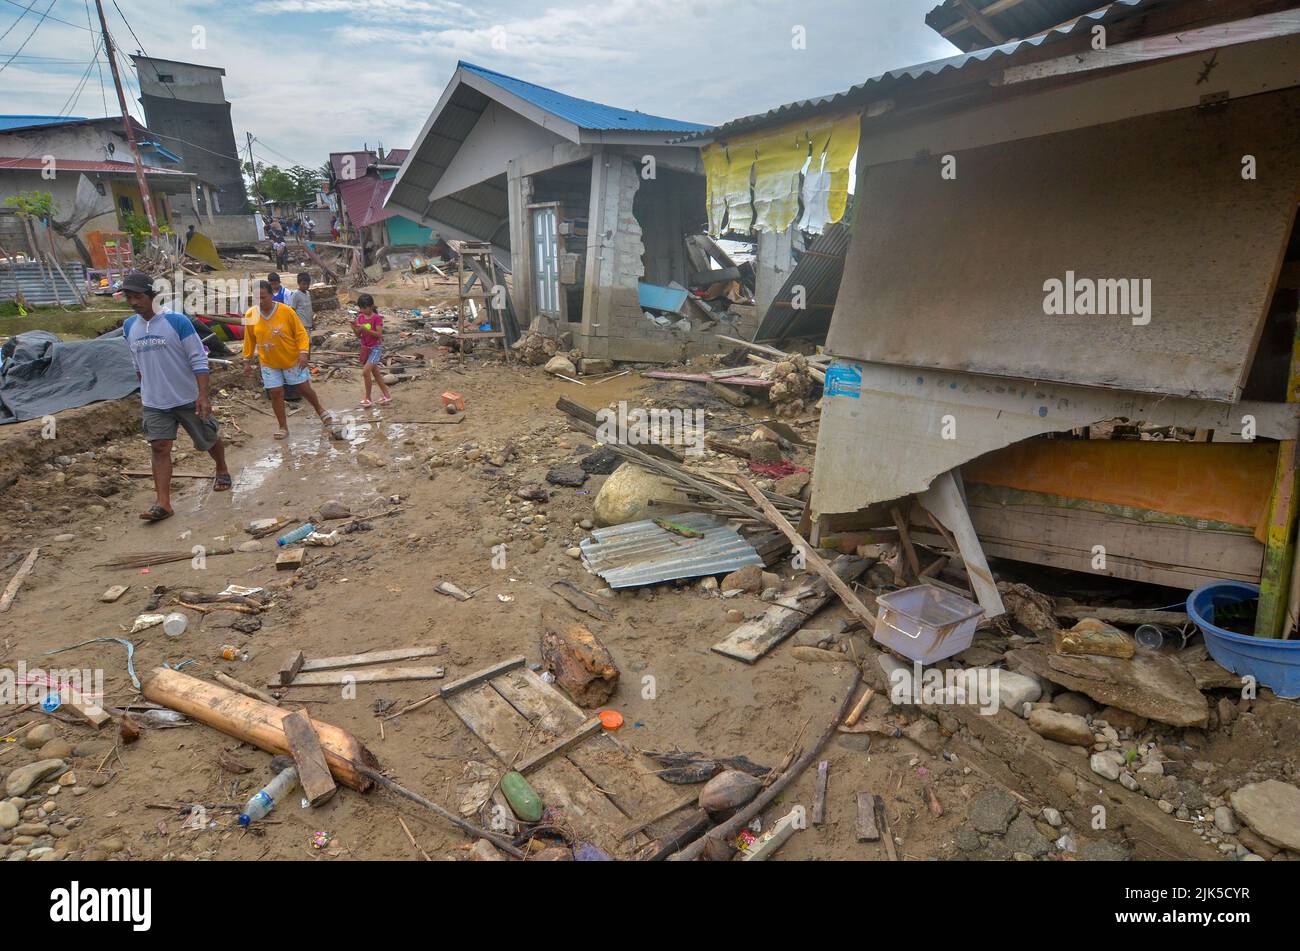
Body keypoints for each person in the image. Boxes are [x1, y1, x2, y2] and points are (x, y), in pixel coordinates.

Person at [120, 270, 231, 522]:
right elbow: (136, 364)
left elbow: (198, 359)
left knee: (208, 438)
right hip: (154, 401)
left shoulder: (177, 322)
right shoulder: (129, 327)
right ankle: (163, 503)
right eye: (129, 297)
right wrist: (145, 391)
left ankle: (222, 468)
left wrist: (203, 395)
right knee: (159, 447)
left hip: (187, 397)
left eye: (138, 296)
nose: (133, 302)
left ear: (152, 295)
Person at [243, 281, 333, 438]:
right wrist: (247, 360)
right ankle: (283, 427)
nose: (260, 301)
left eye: (263, 297)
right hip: (268, 361)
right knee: (276, 392)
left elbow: (300, 333)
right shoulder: (250, 315)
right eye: (256, 298)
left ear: (272, 295)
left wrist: (303, 353)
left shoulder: (286, 312)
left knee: (303, 389)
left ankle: (320, 409)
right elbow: (249, 339)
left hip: (291, 359)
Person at [352, 293, 391, 407]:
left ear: (371, 306)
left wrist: (365, 328)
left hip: (375, 348)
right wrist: (354, 327)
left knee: (365, 372)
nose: (363, 310)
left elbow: (379, 334)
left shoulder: (376, 318)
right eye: (361, 308)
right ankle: (387, 395)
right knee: (377, 374)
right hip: (366, 348)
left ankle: (368, 398)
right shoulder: (360, 318)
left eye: (365, 308)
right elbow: (358, 335)